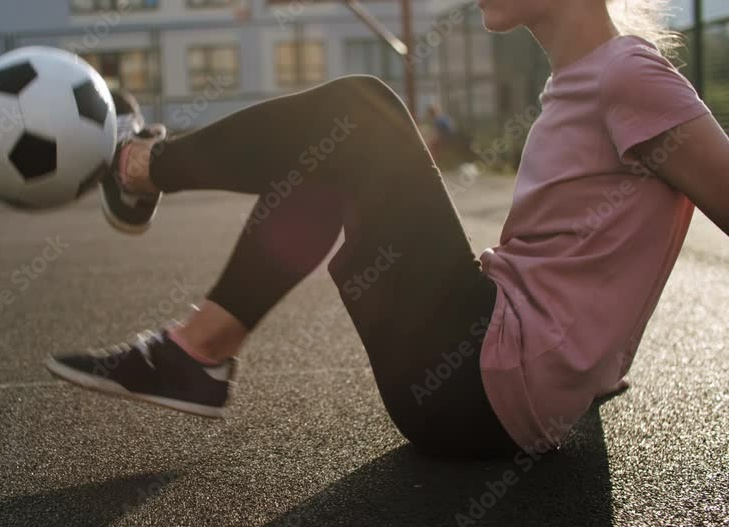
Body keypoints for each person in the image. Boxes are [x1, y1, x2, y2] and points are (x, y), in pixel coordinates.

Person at [46, 0, 729, 459]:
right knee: (333, 160)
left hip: (476, 385)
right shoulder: (588, 80)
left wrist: (579, 370)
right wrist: (593, 369)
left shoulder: (628, 74)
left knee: (363, 112)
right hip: (464, 394)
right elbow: (606, 252)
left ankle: (139, 166)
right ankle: (197, 352)